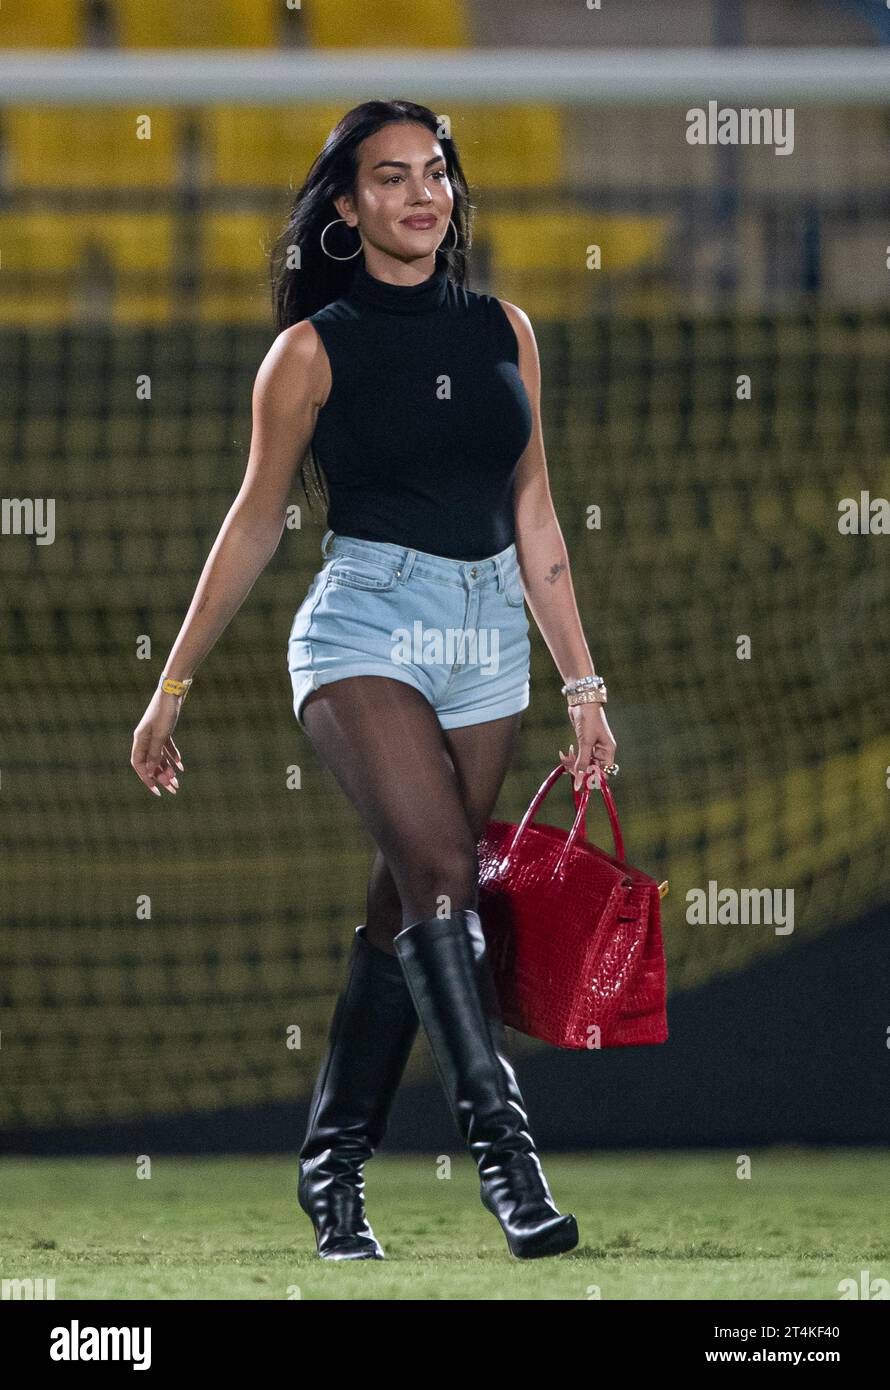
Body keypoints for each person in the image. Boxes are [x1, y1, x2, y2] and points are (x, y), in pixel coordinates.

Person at [130, 99, 617, 1262]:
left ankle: (329, 1167)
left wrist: (582, 687)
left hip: (488, 631)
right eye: (389, 178)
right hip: (365, 623)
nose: (419, 194)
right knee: (447, 869)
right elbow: (251, 526)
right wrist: (172, 689)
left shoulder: (507, 327)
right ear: (345, 210)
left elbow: (534, 512)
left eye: (433, 173)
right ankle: (506, 1154)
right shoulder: (309, 350)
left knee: (407, 906)